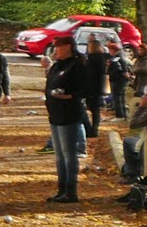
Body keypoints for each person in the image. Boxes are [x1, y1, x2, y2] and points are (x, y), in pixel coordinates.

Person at [44, 37, 87, 203]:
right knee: (59, 155)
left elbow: (86, 88)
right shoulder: (56, 66)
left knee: (69, 154)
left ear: (68, 47)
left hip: (69, 113)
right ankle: (61, 189)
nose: (55, 51)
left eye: (58, 47)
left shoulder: (77, 66)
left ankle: (71, 191)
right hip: (55, 114)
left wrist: (69, 96)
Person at [83, 39, 108, 138]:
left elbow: (91, 74)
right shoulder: (101, 58)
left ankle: (93, 129)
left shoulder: (93, 59)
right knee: (95, 110)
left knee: (94, 109)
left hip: (92, 87)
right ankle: (94, 128)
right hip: (96, 87)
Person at [107, 41, 131, 119]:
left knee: (118, 97)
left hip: (119, 80)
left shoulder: (117, 59)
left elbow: (124, 71)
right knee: (120, 97)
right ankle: (124, 114)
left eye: (110, 49)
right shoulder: (114, 58)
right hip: (116, 80)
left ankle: (119, 115)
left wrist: (128, 78)